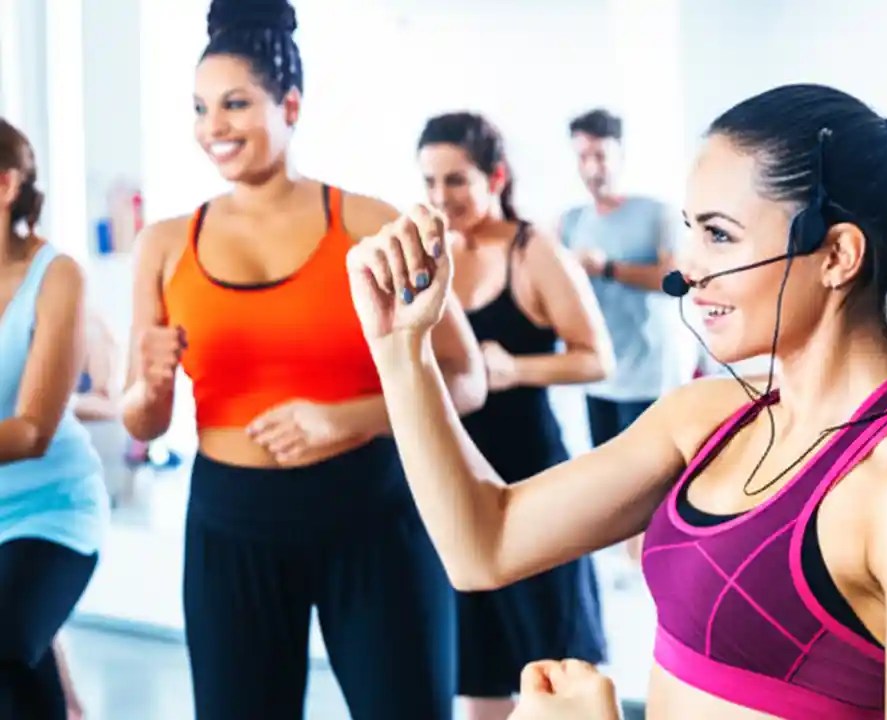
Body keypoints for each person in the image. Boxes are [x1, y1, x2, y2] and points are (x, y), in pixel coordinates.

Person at [350, 83, 887, 720]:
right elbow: (482, 546)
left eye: (719, 235)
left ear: (836, 253)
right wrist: (402, 348)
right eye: (691, 231)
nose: (685, 268)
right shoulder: (705, 419)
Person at [120, 2, 486, 718]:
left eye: (235, 104)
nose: (212, 127)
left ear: (290, 105)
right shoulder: (163, 245)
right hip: (231, 524)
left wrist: (345, 417)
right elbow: (146, 419)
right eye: (199, 109)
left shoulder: (371, 223)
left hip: (374, 514)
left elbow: (468, 379)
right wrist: (149, 382)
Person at [416, 111, 613, 720]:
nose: (440, 198)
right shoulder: (433, 256)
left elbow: (596, 359)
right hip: (461, 486)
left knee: (550, 676)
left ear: (495, 176)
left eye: (456, 181)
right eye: (428, 182)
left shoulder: (536, 252)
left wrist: (514, 368)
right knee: (477, 682)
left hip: (532, 485)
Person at [0, 118, 108, 720]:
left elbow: (33, 430)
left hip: (51, 509)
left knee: (9, 645)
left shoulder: (56, 275)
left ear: (5, 185)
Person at [560, 109, 692, 446]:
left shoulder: (657, 213)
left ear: (620, 155)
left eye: (600, 156)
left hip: (650, 378)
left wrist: (607, 268)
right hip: (598, 378)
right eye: (583, 157)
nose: (591, 168)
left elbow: (676, 282)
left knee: (654, 486)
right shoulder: (570, 221)